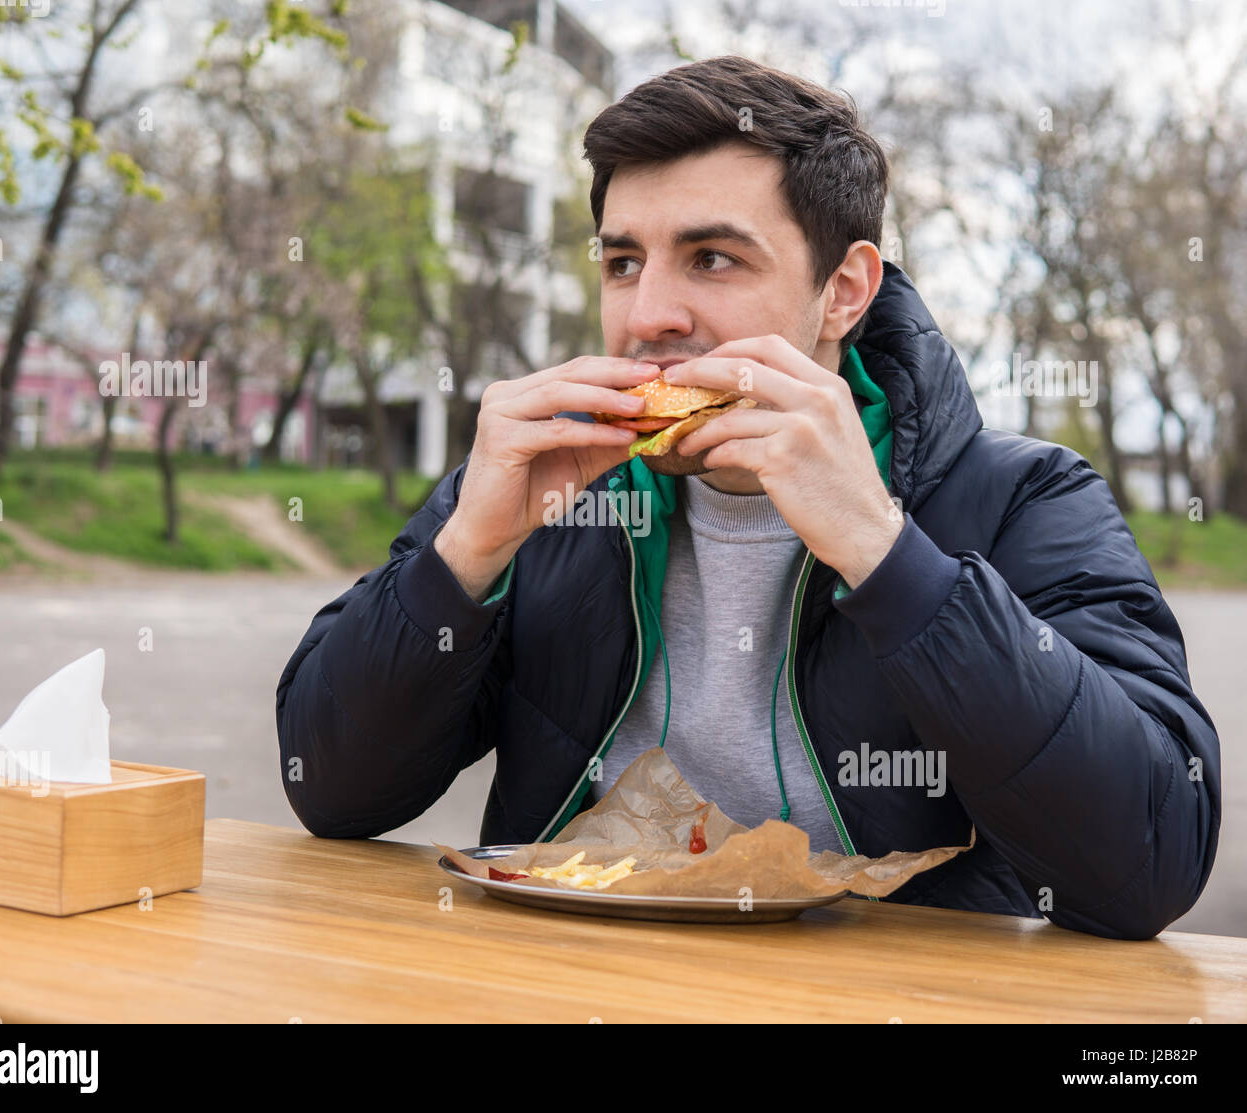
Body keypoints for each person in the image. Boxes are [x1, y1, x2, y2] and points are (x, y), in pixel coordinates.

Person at [276, 55, 1220, 940]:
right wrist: (463, 559)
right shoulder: (543, 489)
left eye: (713, 258)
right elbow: (327, 787)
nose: (649, 316)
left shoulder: (1022, 501)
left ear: (843, 291)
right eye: (622, 262)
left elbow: (1151, 859)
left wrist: (888, 556)